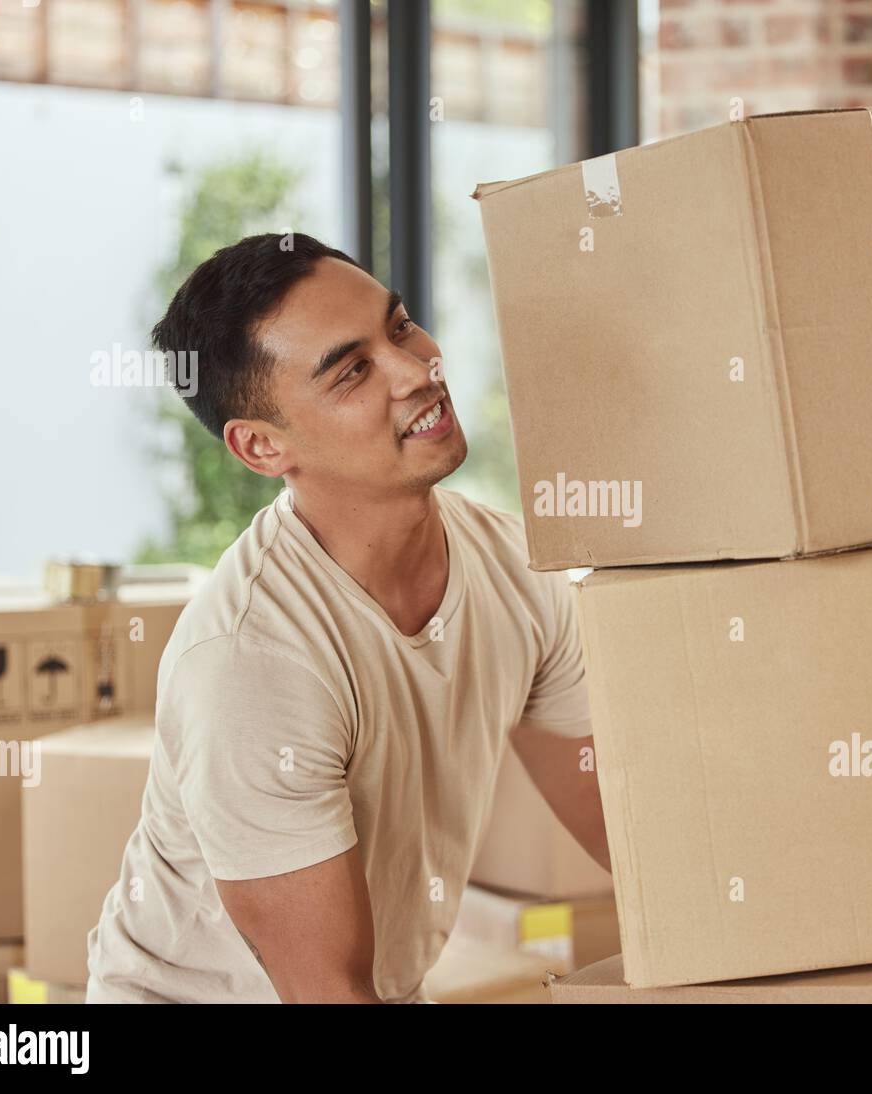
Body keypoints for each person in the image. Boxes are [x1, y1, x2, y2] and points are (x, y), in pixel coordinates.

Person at [85, 233, 608, 1003]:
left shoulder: (518, 574)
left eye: (399, 328)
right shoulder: (251, 663)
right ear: (262, 446)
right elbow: (327, 992)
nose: (415, 370)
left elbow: (628, 832)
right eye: (352, 371)